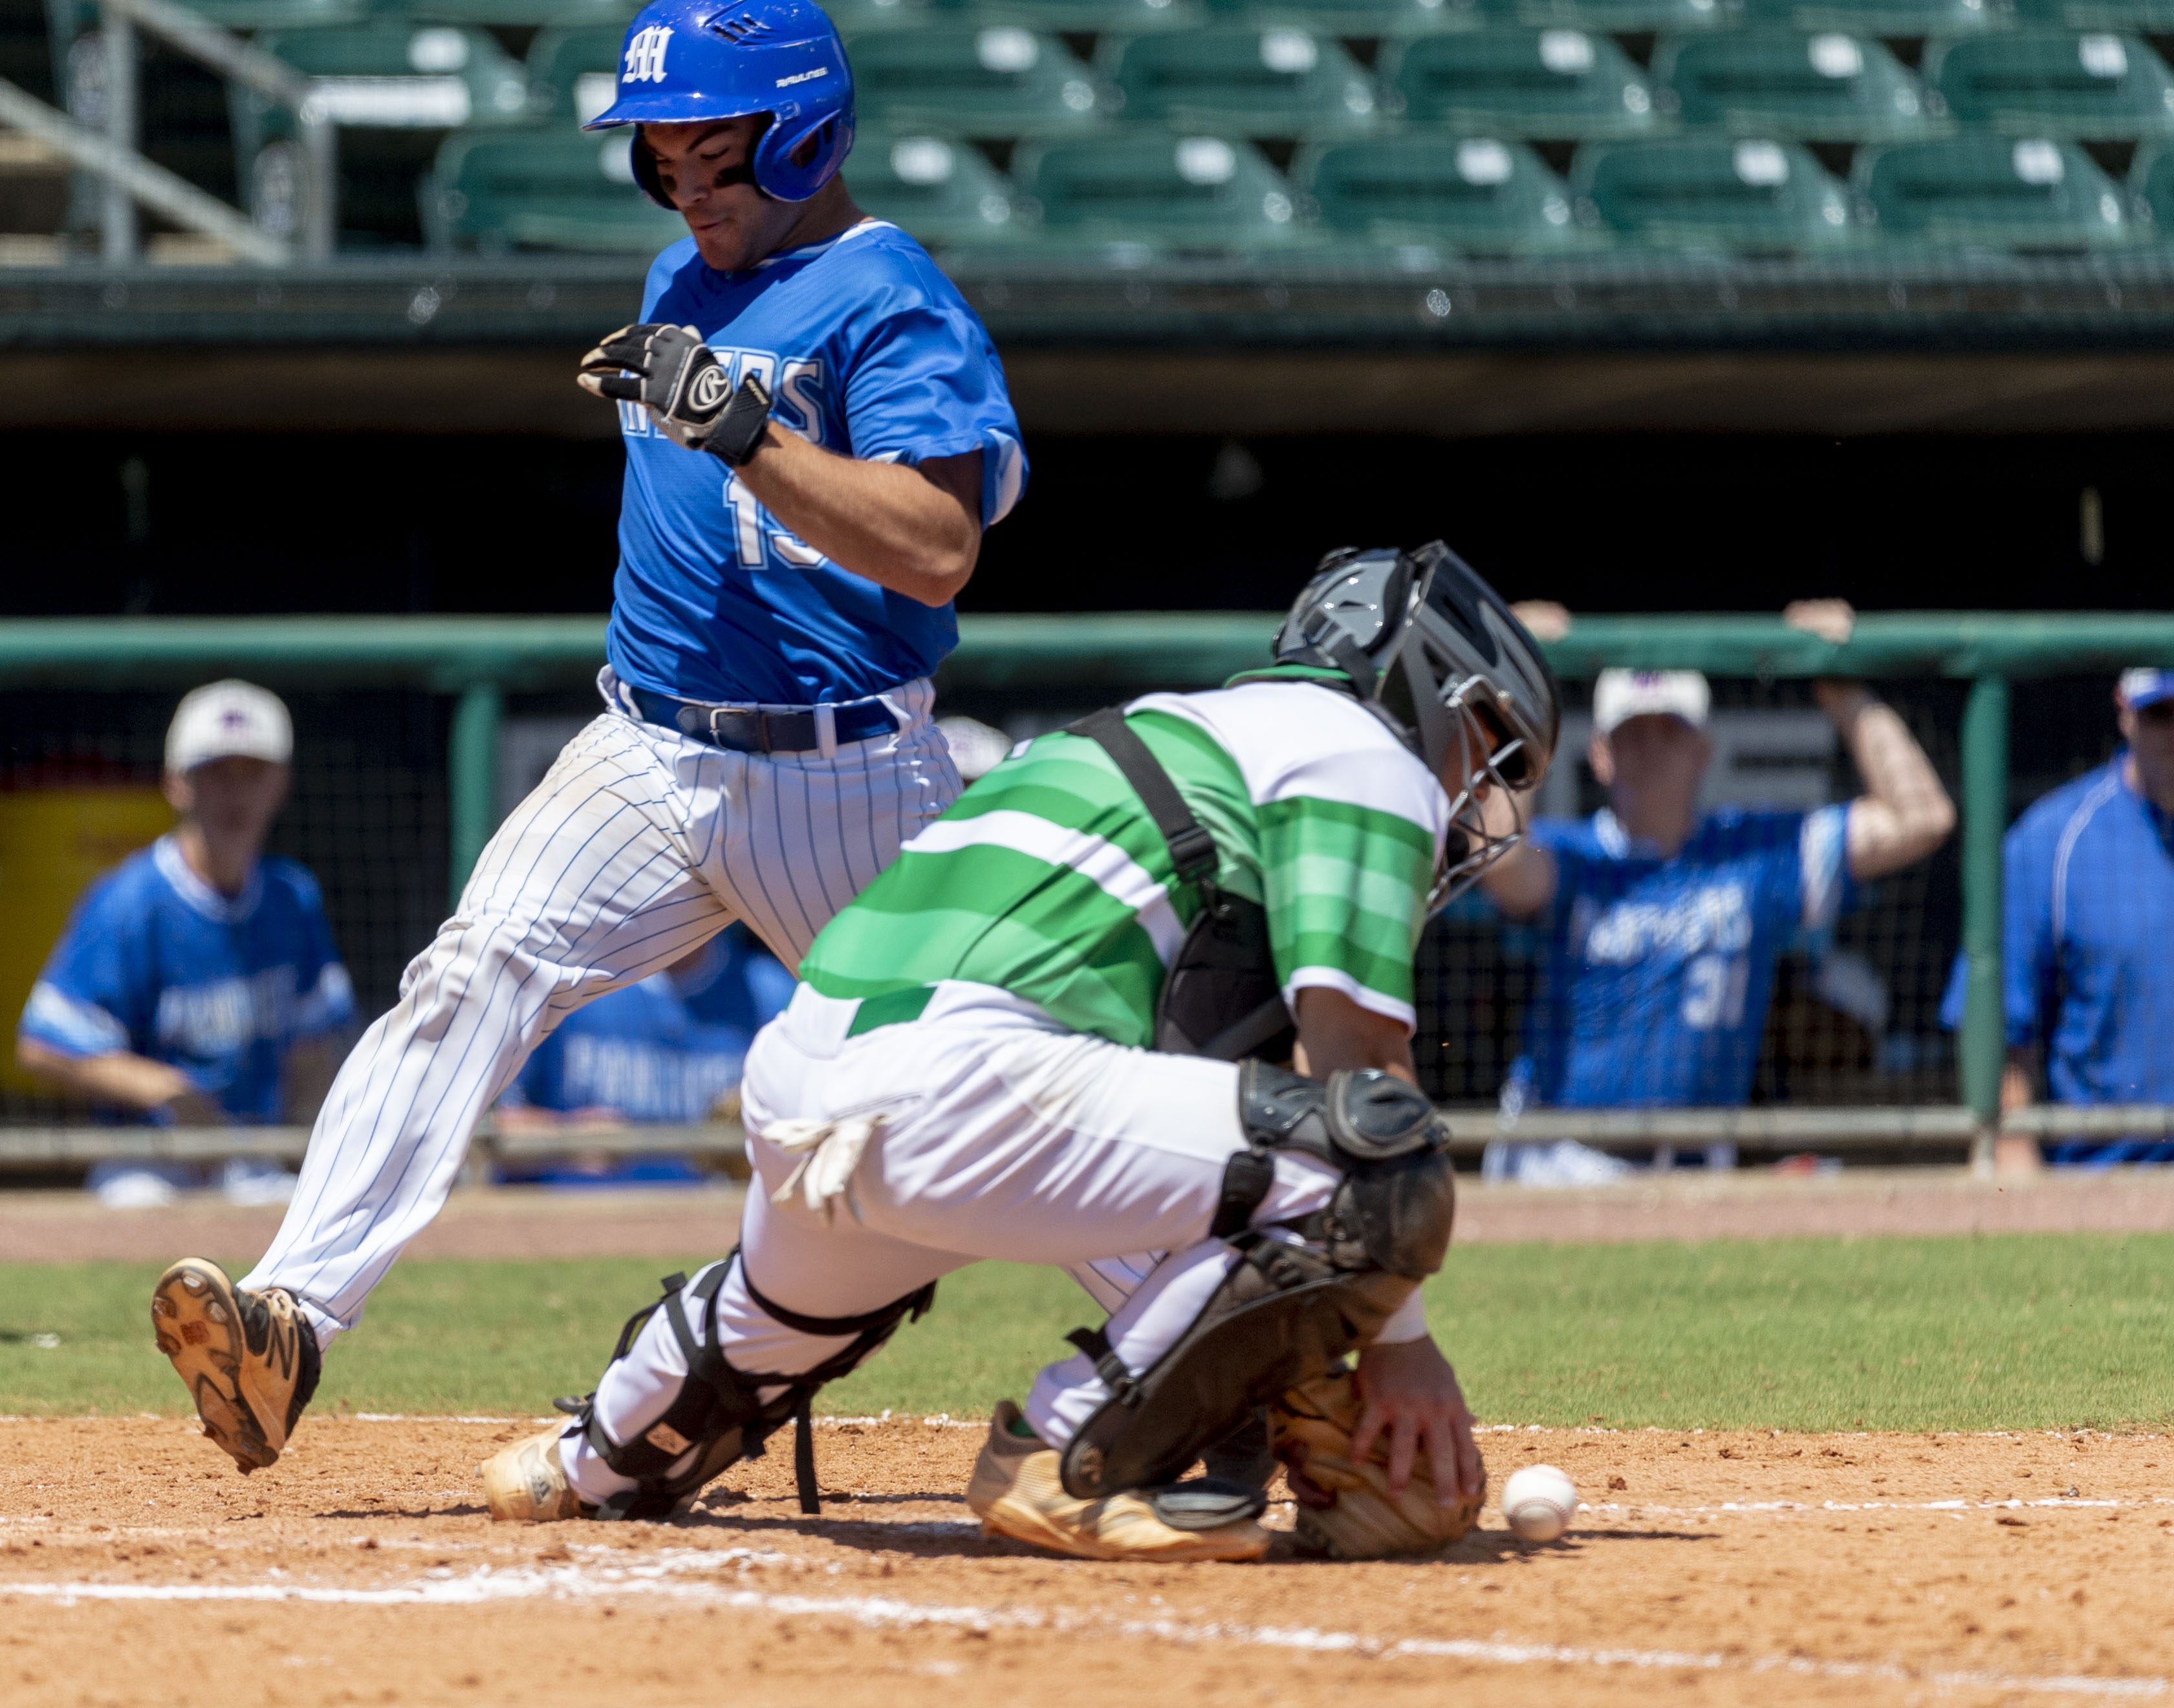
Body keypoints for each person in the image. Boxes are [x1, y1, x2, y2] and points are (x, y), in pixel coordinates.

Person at [149, 0, 1027, 1477]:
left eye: (715, 151)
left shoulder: (892, 294)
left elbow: (939, 545)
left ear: (806, 136)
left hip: (846, 771)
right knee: (471, 967)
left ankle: (1233, 1342)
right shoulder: (680, 280)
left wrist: (747, 429)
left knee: (1000, 1075)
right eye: (662, 157)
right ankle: (290, 1316)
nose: (686, 183)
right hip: (649, 745)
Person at [450, 541, 1557, 1562]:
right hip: (958, 1092)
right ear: (1415, 677)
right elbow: (1359, 1071)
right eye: (1484, 738)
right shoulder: (1358, 750)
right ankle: (1067, 1450)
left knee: (771, 1322)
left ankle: (589, 1458)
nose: (1480, 792)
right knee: (1385, 1160)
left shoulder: (1179, 723)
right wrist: (1401, 1343)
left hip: (804, 1079)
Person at [1482, 601, 1954, 1168]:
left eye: (1669, 730)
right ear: (1600, 754)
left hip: (1697, 1161)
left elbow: (1920, 817)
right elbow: (1501, 861)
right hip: (1560, 1154)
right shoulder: (1574, 854)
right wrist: (1522, 691)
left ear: (1703, 749)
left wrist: (1842, 690)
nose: (1651, 748)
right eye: (1632, 733)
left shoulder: (1748, 853)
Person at [16, 680, 353, 1208]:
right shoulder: (129, 900)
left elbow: (314, 1047)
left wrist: (307, 1151)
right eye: (216, 771)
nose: (235, 792)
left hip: (252, 1157)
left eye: (252, 772)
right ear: (176, 782)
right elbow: (43, 1044)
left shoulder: (293, 896)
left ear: (280, 783)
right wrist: (171, 1094)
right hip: (149, 1156)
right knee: (138, 1211)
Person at [1942, 667, 2174, 1171]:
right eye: (2162, 714)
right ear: (2124, 710)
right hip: (2109, 1174)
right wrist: (2019, 1180)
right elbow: (2003, 1032)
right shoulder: (2052, 842)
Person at [495, 924, 794, 1183]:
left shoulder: (774, 995)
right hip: (571, 1222)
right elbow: (490, 1129)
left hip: (717, 1226)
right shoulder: (567, 982)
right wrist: (566, 1136)